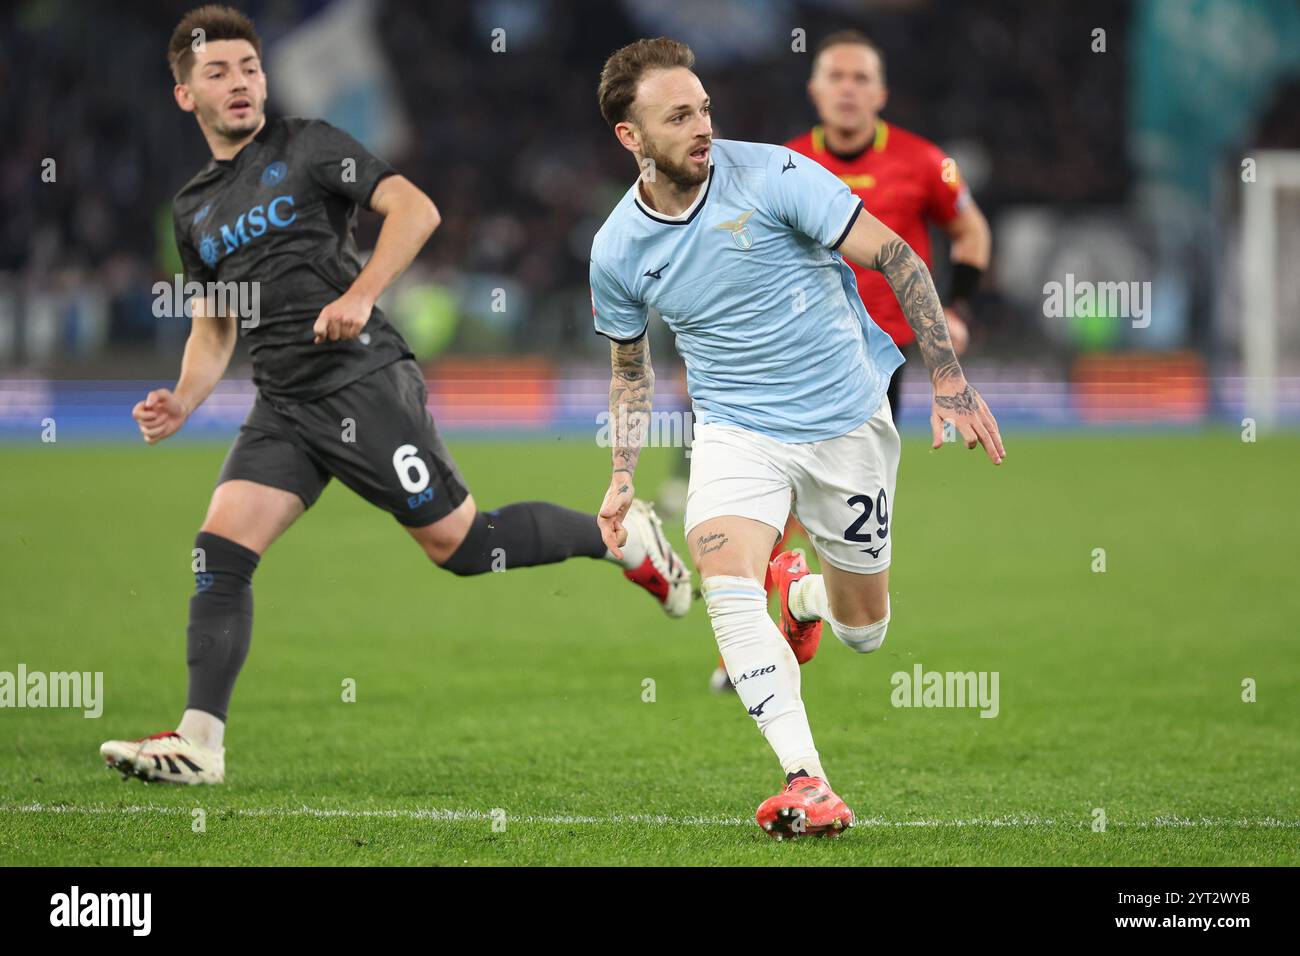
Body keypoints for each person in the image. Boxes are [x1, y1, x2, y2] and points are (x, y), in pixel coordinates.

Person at [99, 6, 690, 786]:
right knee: (220, 553)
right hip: (282, 404)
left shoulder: (308, 145)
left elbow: (416, 209)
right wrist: (182, 398)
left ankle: (624, 539)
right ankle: (200, 744)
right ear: (186, 95)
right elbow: (214, 325)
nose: (239, 83)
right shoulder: (193, 208)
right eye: (218, 72)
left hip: (361, 380)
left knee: (465, 546)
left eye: (249, 67)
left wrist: (363, 291)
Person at [588, 37, 1004, 837]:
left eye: (704, 108)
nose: (702, 126)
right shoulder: (616, 248)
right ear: (630, 136)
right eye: (678, 116)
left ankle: (805, 596)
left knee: (864, 631)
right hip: (735, 431)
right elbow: (631, 370)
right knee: (724, 584)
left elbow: (897, 255)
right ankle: (807, 780)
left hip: (847, 422)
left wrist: (948, 378)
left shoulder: (774, 174)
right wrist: (621, 474)